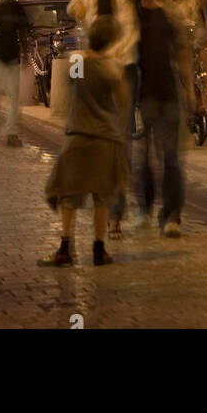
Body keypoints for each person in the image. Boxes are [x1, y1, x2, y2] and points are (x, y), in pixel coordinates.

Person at [40, 14, 126, 268]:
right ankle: (99, 249)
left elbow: (69, 87)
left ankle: (65, 247)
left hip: (77, 136)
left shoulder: (77, 61)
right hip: (105, 137)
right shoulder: (113, 68)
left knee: (69, 194)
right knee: (101, 197)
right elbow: (122, 102)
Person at [70, 0, 142, 239]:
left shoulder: (137, 0)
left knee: (121, 143)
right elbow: (79, 11)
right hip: (101, 71)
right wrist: (76, 6)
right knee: (102, 141)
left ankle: (116, 214)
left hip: (125, 72)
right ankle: (101, 203)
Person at [135, 0, 194, 237]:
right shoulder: (136, 9)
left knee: (171, 157)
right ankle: (144, 207)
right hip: (141, 93)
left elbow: (183, 51)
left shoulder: (175, 10)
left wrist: (191, 90)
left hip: (169, 92)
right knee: (143, 156)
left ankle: (172, 216)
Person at [0, 0, 28, 147]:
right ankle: (11, 133)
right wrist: (26, 52)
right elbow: (23, 32)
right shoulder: (18, 8)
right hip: (11, 55)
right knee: (13, 97)